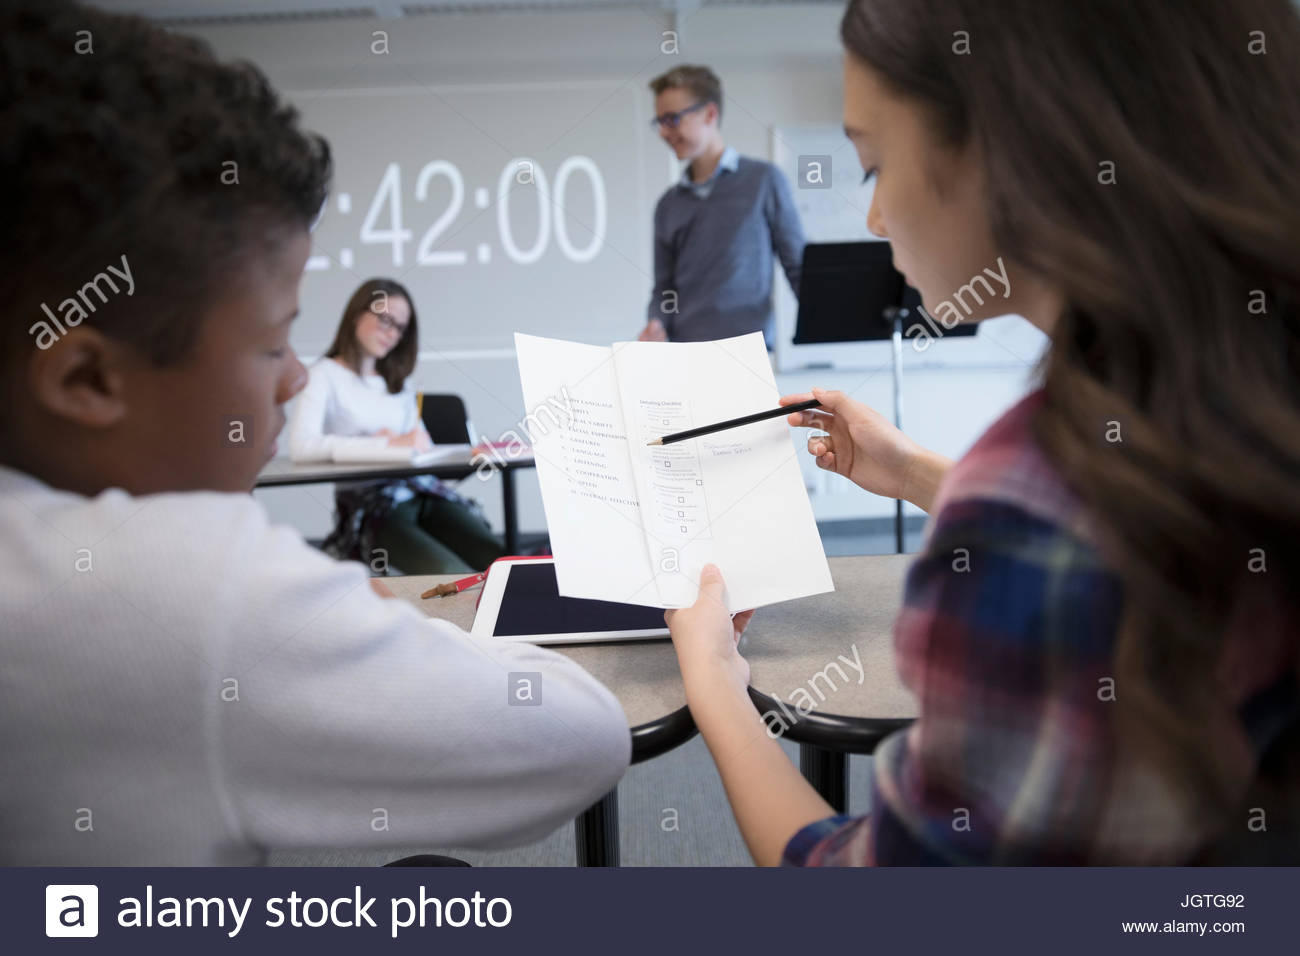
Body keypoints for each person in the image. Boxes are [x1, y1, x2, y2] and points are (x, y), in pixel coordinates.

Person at [666, 0, 1299, 865]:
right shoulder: (1241, 396)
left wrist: (717, 690)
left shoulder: (1027, 517)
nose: (877, 216)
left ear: (1012, 145)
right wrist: (924, 473)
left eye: (873, 165)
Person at [0, 0, 628, 865]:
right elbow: (589, 740)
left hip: (417, 490)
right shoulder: (193, 587)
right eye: (268, 343)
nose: (291, 374)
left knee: (486, 552)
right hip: (372, 514)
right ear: (85, 378)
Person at [288, 278, 506, 575]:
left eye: (401, 327)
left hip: (422, 492)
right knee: (449, 573)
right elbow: (302, 447)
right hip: (373, 509)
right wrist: (383, 445)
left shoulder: (398, 381)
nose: (392, 334)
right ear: (356, 314)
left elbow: (416, 442)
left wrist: (410, 441)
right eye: (385, 320)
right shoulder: (322, 376)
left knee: (500, 560)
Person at [639, 65, 804, 348]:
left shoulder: (763, 181)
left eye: (672, 119)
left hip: (749, 353)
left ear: (710, 114)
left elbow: (798, 267)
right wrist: (658, 321)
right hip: (688, 355)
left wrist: (830, 320)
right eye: (660, 122)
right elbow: (664, 289)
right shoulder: (668, 205)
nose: (664, 132)